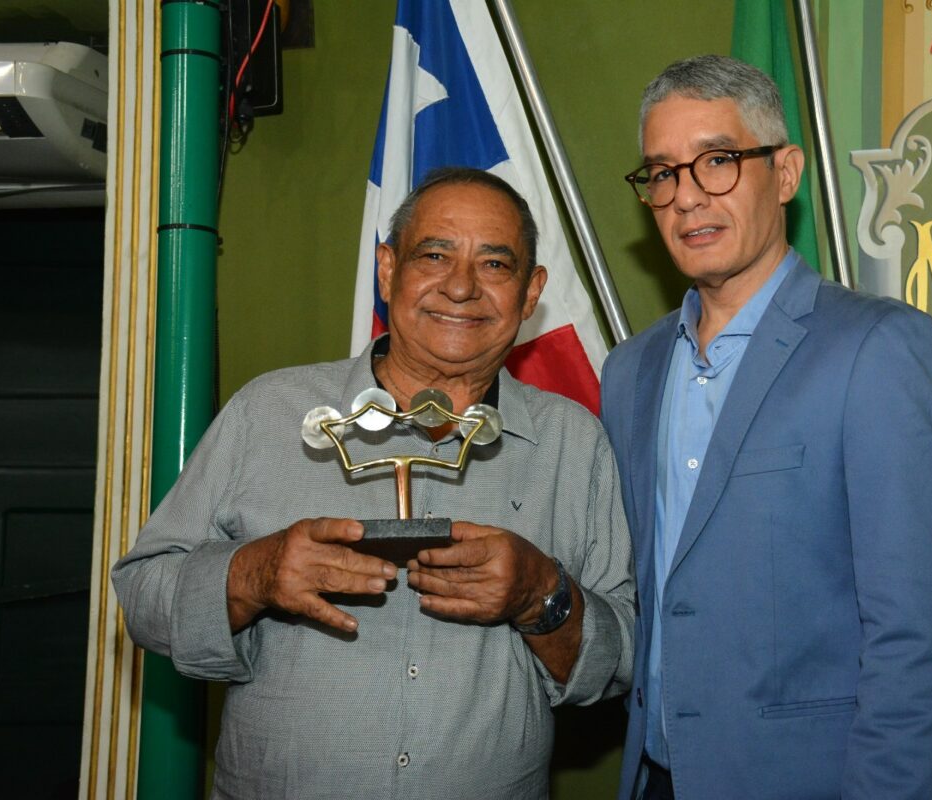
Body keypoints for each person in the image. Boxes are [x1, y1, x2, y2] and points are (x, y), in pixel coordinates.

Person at [112, 167, 634, 799]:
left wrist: (539, 594)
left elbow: (624, 657)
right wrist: (256, 572)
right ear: (388, 271)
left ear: (531, 293)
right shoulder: (270, 412)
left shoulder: (573, 442)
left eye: (495, 265)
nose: (462, 287)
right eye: (434, 254)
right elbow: (142, 597)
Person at [600, 55, 932, 799]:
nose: (687, 198)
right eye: (663, 173)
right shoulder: (629, 372)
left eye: (718, 162)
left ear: (788, 172)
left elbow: (917, 642)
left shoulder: (879, 348)